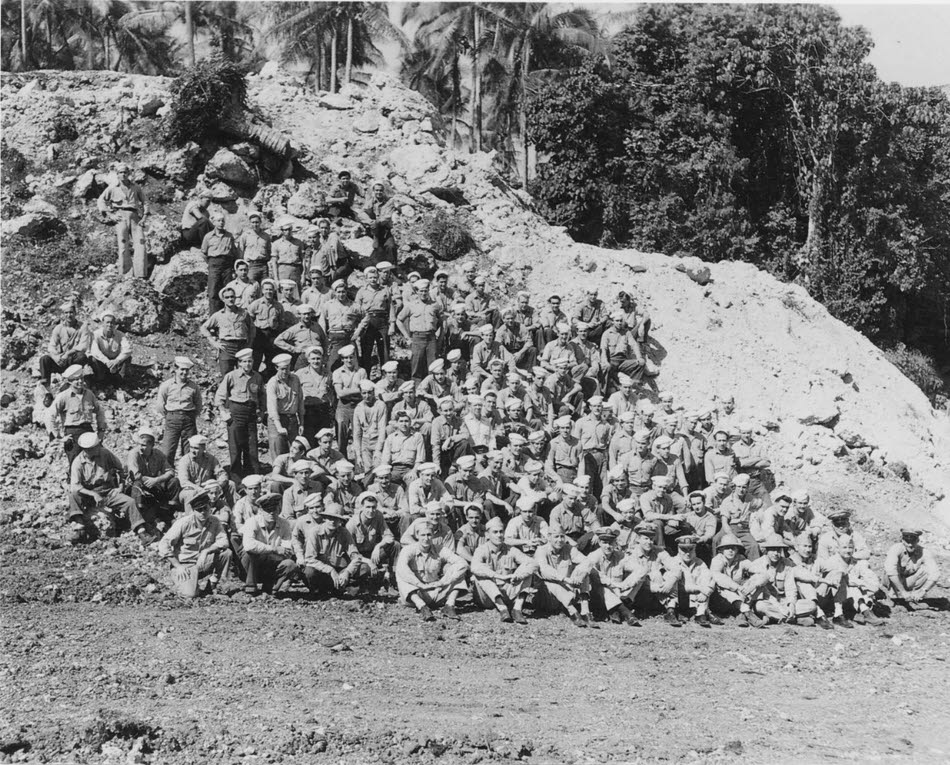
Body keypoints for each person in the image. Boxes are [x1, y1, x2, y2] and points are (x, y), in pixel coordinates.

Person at [158, 488, 233, 599]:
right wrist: (177, 566)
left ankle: (212, 586)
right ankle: (183, 583)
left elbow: (224, 541)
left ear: (210, 508)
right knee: (190, 595)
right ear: (193, 511)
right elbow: (164, 544)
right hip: (185, 565)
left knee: (226, 553)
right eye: (199, 509)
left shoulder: (215, 521)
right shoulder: (184, 523)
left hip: (202, 562)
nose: (203, 512)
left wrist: (206, 551)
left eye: (205, 508)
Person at [67, 432, 140, 544]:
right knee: (73, 495)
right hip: (89, 495)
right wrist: (94, 494)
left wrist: (120, 486)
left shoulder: (105, 454)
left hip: (108, 492)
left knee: (129, 502)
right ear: (87, 449)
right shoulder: (78, 463)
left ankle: (141, 530)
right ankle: (79, 526)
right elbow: (75, 486)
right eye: (95, 447)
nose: (98, 448)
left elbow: (121, 469)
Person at [470, 517, 539, 624]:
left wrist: (518, 575)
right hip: (487, 597)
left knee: (527, 572)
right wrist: (498, 576)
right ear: (487, 535)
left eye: (501, 532)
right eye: (495, 532)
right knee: (480, 574)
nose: (499, 535)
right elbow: (474, 567)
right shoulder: (481, 550)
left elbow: (533, 563)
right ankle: (502, 609)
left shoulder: (510, 549)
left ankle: (517, 609)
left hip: (507, 592)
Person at [395, 519, 469, 620]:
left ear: (433, 535)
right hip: (416, 593)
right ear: (417, 536)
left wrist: (443, 582)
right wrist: (419, 585)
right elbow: (402, 569)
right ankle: (422, 608)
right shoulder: (408, 550)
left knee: (458, 572)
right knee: (401, 574)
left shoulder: (440, 549)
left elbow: (462, 563)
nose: (426, 538)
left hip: (436, 590)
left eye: (429, 535)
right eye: (423, 535)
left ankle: (449, 606)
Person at [293, 501, 368, 597]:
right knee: (309, 571)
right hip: (322, 573)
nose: (333, 521)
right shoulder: (314, 532)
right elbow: (310, 559)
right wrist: (330, 570)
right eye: (330, 518)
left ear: (340, 521)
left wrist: (347, 572)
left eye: (336, 519)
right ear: (324, 518)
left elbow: (356, 556)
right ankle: (318, 592)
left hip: (339, 573)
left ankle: (344, 590)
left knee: (364, 568)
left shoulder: (344, 533)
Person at [215, 348, 265, 476]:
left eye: (250, 361)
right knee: (235, 446)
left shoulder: (257, 377)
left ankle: (252, 473)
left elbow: (262, 396)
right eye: (244, 361)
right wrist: (223, 412)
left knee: (251, 445)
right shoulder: (231, 376)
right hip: (236, 412)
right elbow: (220, 396)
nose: (248, 364)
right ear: (239, 363)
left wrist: (262, 412)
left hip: (251, 413)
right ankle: (236, 476)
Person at [534, 522, 593, 627]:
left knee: (584, 572)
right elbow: (545, 570)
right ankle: (573, 612)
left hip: (567, 591)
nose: (560, 540)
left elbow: (587, 561)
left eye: (562, 536)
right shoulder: (541, 551)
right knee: (550, 584)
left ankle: (585, 611)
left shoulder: (569, 549)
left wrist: (579, 576)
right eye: (556, 537)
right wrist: (566, 579)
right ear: (549, 537)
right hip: (547, 596)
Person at [50, 363, 108, 469]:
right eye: (76, 379)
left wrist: (101, 431)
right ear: (69, 381)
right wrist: (58, 436)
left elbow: (100, 412)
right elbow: (50, 415)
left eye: (81, 378)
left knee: (99, 459)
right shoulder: (63, 397)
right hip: (72, 433)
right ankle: (74, 484)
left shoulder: (89, 394)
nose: (80, 381)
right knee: (75, 464)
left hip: (88, 430)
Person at [241, 492, 299, 596]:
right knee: (250, 554)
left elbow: (287, 551)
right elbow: (249, 545)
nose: (271, 513)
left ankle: (271, 588)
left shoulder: (284, 524)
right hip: (253, 566)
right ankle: (250, 587)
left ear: (278, 510)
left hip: (272, 564)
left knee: (290, 564)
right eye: (268, 510)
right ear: (261, 511)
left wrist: (266, 552)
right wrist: (274, 549)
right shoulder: (252, 522)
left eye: (274, 509)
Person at [97, 162, 148, 277]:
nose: (123, 174)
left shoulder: (135, 187)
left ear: (129, 173)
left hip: (135, 217)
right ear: (117, 174)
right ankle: (126, 274)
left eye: (125, 172)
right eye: (120, 172)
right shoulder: (113, 188)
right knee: (123, 245)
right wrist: (111, 215)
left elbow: (145, 202)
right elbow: (101, 201)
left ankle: (141, 274)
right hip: (120, 216)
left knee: (140, 243)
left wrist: (144, 217)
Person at [126, 426, 180, 532]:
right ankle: (141, 520)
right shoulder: (134, 454)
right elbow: (136, 475)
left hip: (154, 484)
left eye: (144, 445)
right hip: (137, 486)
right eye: (140, 444)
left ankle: (169, 512)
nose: (141, 447)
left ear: (152, 445)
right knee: (137, 484)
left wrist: (156, 480)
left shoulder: (158, 455)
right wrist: (151, 480)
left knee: (174, 482)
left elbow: (170, 471)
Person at [155, 356, 202, 466]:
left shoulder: (193, 386)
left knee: (190, 451)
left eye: (186, 370)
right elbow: (160, 405)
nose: (184, 372)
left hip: (189, 420)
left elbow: (198, 405)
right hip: (172, 420)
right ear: (175, 369)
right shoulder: (167, 385)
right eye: (181, 369)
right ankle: (167, 480)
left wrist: (190, 416)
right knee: (167, 451)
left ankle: (187, 478)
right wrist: (169, 416)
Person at [709, 533, 763, 627]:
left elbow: (758, 570)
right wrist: (737, 587)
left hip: (738, 597)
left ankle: (740, 615)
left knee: (755, 579)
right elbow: (718, 577)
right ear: (721, 550)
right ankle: (747, 612)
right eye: (727, 548)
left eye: (733, 548)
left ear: (737, 550)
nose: (730, 551)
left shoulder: (741, 559)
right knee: (725, 589)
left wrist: (751, 585)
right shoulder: (717, 560)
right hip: (720, 600)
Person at [346, 492, 398, 588]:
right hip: (359, 557)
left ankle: (392, 577)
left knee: (395, 545)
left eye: (374, 507)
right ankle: (367, 583)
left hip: (373, 553)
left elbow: (389, 536)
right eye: (368, 507)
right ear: (362, 507)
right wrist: (369, 562)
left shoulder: (378, 515)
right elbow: (352, 554)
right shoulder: (351, 524)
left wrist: (378, 546)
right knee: (365, 569)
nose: (371, 510)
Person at [200, 285, 255, 376]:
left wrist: (250, 343)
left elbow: (252, 328)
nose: (230, 299)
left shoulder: (244, 313)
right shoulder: (218, 315)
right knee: (226, 375)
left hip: (242, 345)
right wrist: (214, 342)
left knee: (244, 374)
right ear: (223, 299)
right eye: (227, 297)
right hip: (226, 347)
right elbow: (203, 327)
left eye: (232, 296)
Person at [667, 535, 721, 627]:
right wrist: (700, 588)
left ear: (695, 550)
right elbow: (680, 586)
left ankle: (700, 615)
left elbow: (710, 578)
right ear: (679, 550)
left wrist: (705, 592)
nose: (687, 553)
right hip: (680, 598)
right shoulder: (672, 561)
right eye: (684, 550)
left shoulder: (699, 562)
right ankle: (671, 612)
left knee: (706, 579)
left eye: (690, 550)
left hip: (697, 599)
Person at [397, 281, 444, 380]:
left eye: (425, 291)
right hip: (417, 338)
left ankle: (432, 387)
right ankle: (417, 389)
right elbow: (399, 320)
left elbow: (442, 322)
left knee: (433, 365)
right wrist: (407, 337)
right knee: (416, 366)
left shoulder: (435, 305)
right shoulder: (411, 305)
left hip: (431, 338)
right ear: (417, 292)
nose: (423, 293)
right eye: (421, 291)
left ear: (428, 291)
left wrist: (439, 337)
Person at [884, 528, 940, 609]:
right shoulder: (896, 548)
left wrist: (923, 591)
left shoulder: (924, 552)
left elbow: (935, 573)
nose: (910, 545)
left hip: (908, 580)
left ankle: (914, 598)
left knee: (926, 570)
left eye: (913, 541)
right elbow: (890, 571)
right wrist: (903, 592)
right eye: (907, 541)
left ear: (918, 540)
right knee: (890, 569)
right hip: (894, 581)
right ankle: (891, 597)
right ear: (902, 540)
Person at [37, 301, 90, 386]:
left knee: (82, 357)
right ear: (63, 314)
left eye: (71, 312)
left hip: (73, 360)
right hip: (61, 361)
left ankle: (73, 380)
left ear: (75, 313)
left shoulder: (83, 327)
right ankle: (46, 388)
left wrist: (68, 354)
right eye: (66, 313)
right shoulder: (58, 328)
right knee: (44, 359)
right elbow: (51, 346)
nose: (69, 315)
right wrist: (56, 357)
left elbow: (83, 346)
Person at [248, 279, 291, 379]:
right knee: (256, 359)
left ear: (274, 291)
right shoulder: (256, 304)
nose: (269, 292)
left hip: (272, 335)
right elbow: (250, 320)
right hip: (259, 334)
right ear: (262, 291)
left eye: (271, 290)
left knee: (271, 359)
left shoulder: (278, 306)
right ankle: (254, 379)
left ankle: (268, 380)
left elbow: (281, 322)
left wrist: (276, 331)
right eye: (266, 289)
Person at [266, 354, 304, 461]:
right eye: (282, 369)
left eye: (287, 369)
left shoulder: (295, 379)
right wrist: (278, 426)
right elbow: (272, 407)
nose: (285, 372)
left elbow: (300, 401)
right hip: (277, 420)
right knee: (278, 451)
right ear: (276, 368)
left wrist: (301, 422)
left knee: (295, 450)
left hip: (292, 419)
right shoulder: (272, 383)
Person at [354, 265, 392, 370]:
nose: (373, 279)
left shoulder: (385, 290)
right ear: (366, 279)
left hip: (382, 321)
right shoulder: (361, 291)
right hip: (367, 321)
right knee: (366, 349)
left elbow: (391, 307)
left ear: (378, 277)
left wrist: (392, 324)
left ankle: (385, 375)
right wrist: (358, 325)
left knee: (384, 350)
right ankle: (365, 376)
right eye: (370, 277)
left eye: (375, 277)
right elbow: (356, 308)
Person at [715, 474, 761, 560]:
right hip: (729, 528)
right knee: (717, 540)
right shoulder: (727, 501)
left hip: (744, 529)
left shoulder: (750, 499)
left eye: (744, 487)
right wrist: (732, 537)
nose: (741, 490)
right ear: (734, 487)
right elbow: (724, 522)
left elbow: (760, 504)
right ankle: (717, 565)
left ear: (747, 488)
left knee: (753, 545)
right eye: (739, 487)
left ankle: (755, 569)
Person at [177, 435, 232, 505]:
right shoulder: (184, 460)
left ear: (203, 449)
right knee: (190, 493)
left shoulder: (211, 458)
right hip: (192, 489)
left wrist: (217, 485)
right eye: (191, 447)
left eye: (196, 448)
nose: (193, 451)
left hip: (209, 488)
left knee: (230, 484)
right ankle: (191, 514)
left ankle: (232, 512)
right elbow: (184, 482)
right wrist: (199, 489)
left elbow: (222, 473)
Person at [331, 345, 365, 457]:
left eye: (351, 357)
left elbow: (364, 391)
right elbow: (340, 393)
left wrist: (347, 390)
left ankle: (359, 462)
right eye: (346, 358)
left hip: (358, 405)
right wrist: (357, 389)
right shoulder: (337, 372)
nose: (349, 360)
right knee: (341, 434)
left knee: (358, 434)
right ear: (342, 359)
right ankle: (341, 460)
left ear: (355, 357)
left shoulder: (361, 371)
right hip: (343, 406)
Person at [321, 279, 363, 371]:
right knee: (332, 363)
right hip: (335, 337)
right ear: (334, 293)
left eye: (343, 292)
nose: (341, 294)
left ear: (346, 291)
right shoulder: (328, 305)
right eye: (338, 292)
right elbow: (322, 322)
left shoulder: (354, 305)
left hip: (349, 337)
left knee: (353, 362)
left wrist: (358, 331)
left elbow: (364, 318)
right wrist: (325, 339)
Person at [202, 212, 238, 314]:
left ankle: (228, 314)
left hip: (227, 266)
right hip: (214, 265)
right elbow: (204, 252)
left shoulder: (229, 236)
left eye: (223, 221)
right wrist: (211, 264)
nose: (221, 223)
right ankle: (214, 318)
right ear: (213, 222)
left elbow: (234, 252)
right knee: (213, 291)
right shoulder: (208, 236)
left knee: (228, 290)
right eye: (218, 221)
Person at [548, 484, 600, 553]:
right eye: (570, 498)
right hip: (564, 539)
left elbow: (593, 520)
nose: (573, 501)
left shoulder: (580, 507)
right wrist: (570, 541)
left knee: (596, 537)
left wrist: (597, 533)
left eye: (575, 499)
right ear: (564, 496)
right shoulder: (556, 511)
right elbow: (555, 531)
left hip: (579, 538)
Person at [297, 346, 333, 444]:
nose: (316, 361)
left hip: (323, 410)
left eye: (318, 358)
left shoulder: (328, 374)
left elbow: (331, 392)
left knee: (324, 438)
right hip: (308, 410)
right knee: (309, 439)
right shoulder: (300, 374)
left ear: (322, 359)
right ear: (308, 359)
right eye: (313, 359)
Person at [274, 304, 327, 370]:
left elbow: (324, 341)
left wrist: (325, 357)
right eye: (304, 314)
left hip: (317, 357)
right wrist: (294, 349)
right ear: (299, 315)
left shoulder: (317, 326)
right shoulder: (294, 329)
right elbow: (278, 341)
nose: (307, 316)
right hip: (303, 358)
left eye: (308, 314)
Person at [380, 410, 426, 485]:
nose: (404, 424)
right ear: (397, 423)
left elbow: (420, 459)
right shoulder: (391, 438)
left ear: (411, 422)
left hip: (410, 469)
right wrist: (386, 473)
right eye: (401, 421)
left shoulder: (417, 436)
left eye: (406, 421)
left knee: (414, 484)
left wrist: (413, 471)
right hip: (394, 469)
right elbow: (385, 459)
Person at [87, 310, 132, 385]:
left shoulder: (120, 335)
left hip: (116, 363)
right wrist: (107, 362)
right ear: (102, 323)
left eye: (112, 322)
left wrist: (117, 360)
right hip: (103, 362)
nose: (110, 325)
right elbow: (95, 351)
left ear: (115, 324)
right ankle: (100, 378)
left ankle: (119, 379)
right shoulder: (95, 334)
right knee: (92, 358)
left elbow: (128, 349)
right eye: (107, 322)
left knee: (127, 357)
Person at [352, 380, 388, 475]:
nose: (367, 396)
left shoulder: (381, 405)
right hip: (365, 443)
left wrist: (378, 450)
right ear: (360, 393)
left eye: (369, 393)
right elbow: (357, 433)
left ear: (373, 393)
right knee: (366, 470)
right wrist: (358, 455)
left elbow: (382, 429)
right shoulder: (358, 408)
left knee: (378, 468)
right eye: (364, 393)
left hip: (377, 441)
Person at [362, 180, 397, 263]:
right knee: (378, 250)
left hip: (385, 229)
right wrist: (370, 221)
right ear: (374, 191)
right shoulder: (371, 202)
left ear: (383, 191)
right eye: (377, 190)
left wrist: (376, 222)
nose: (379, 192)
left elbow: (387, 217)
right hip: (373, 229)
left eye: (381, 190)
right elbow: (362, 213)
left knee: (391, 246)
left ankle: (393, 266)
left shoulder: (389, 201)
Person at [237, 210, 272, 283]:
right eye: (253, 222)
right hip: (251, 265)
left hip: (263, 265)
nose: (255, 224)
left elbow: (269, 250)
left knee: (264, 285)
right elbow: (241, 252)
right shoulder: (245, 235)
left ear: (260, 222)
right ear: (250, 223)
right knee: (251, 286)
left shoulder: (266, 236)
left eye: (257, 222)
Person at [270, 218, 306, 285]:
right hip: (283, 271)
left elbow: (303, 259)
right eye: (285, 230)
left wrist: (303, 276)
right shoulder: (276, 244)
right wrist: (276, 279)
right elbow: (274, 262)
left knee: (296, 293)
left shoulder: (298, 243)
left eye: (289, 229)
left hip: (296, 270)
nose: (288, 232)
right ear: (282, 231)